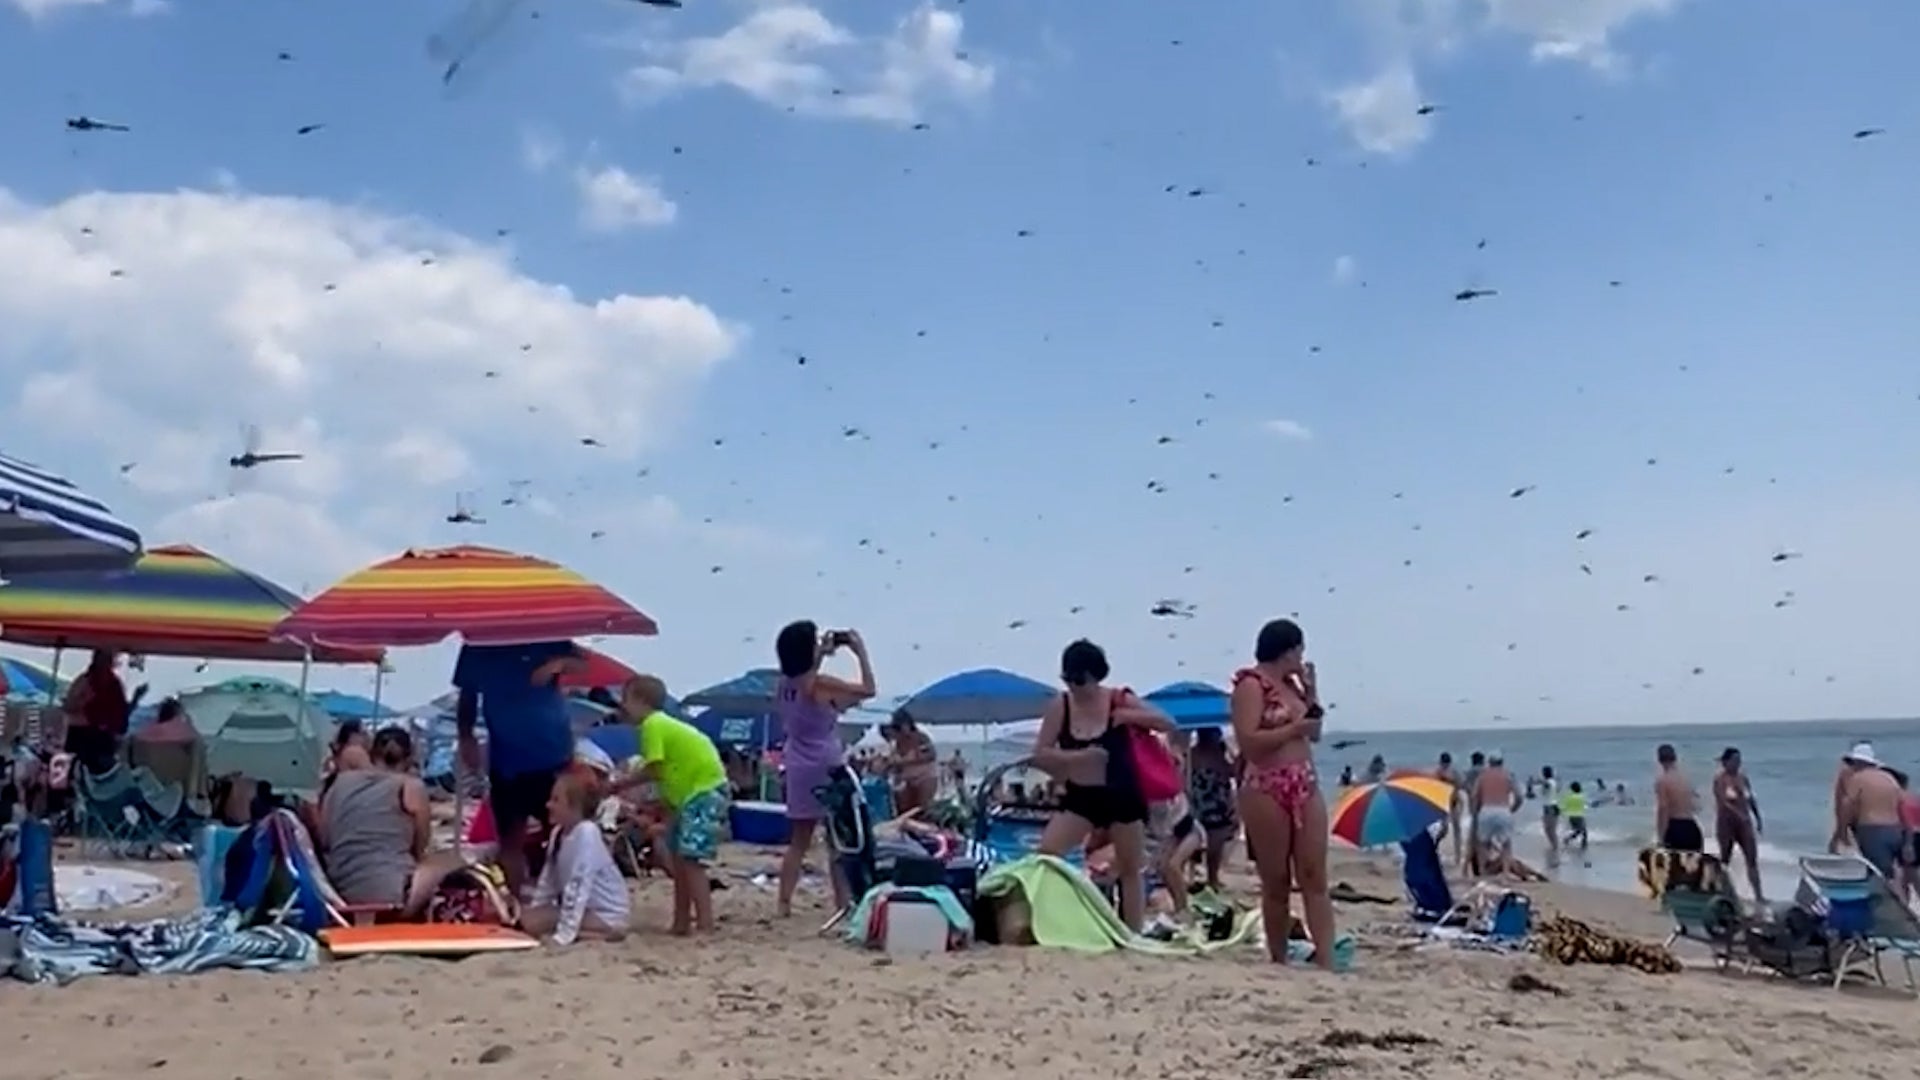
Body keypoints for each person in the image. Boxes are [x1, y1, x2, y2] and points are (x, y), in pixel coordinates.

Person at [1031, 638, 1173, 933]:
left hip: (1122, 793)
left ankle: (1132, 931)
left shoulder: (1116, 700)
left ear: (1096, 676)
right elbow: (1040, 755)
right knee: (1048, 853)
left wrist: (1128, 716)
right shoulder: (1062, 705)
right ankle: (1059, 915)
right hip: (1081, 796)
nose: (1075, 687)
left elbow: (1166, 722)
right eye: (1068, 680)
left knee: (1130, 867)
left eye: (1080, 680)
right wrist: (1076, 758)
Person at [1230, 618, 1335, 968]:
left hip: (1303, 780)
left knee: (1314, 874)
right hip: (1265, 784)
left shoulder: (1294, 687)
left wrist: (1312, 692)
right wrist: (1294, 729)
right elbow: (1250, 742)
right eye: (1299, 650)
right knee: (1276, 878)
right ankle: (1278, 957)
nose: (1302, 658)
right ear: (1287, 649)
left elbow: (1314, 732)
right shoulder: (1251, 684)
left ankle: (1327, 957)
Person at [453, 641, 585, 896]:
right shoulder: (477, 642)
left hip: (554, 755)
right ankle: (514, 904)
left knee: (564, 834)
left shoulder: (545, 631)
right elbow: (467, 693)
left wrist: (556, 665)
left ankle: (567, 898)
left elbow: (581, 663)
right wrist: (465, 735)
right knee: (510, 839)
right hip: (507, 760)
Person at [772, 620, 876, 917]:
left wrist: (819, 655)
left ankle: (784, 903)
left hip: (796, 762)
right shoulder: (821, 684)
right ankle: (842, 901)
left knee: (799, 840)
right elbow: (868, 689)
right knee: (838, 838)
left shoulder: (783, 685)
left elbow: (803, 680)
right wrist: (859, 651)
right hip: (826, 763)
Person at [618, 675, 728, 935]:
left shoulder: (652, 725)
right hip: (697, 790)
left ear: (638, 700)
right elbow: (669, 776)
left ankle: (704, 924)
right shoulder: (664, 725)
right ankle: (681, 923)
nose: (622, 707)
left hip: (704, 790)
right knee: (679, 860)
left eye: (625, 700)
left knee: (690, 861)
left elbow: (654, 770)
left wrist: (619, 785)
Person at [319, 727, 462, 915]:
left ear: (370, 754)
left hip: (338, 893)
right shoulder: (409, 786)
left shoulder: (339, 783)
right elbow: (420, 850)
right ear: (410, 758)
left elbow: (326, 839)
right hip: (391, 894)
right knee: (450, 860)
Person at [521, 771, 629, 945]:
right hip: (588, 909)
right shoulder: (558, 834)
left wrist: (563, 935)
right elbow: (548, 881)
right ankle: (588, 932)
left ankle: (603, 932)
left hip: (606, 914)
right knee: (530, 920)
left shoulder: (586, 833)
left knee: (533, 922)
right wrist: (538, 908)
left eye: (556, 800)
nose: (548, 805)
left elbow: (578, 885)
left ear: (574, 806)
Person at [61, 650, 144, 774]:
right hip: (81, 736)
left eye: (108, 660)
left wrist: (136, 699)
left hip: (103, 740)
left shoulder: (114, 685)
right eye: (103, 660)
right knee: (78, 775)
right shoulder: (84, 681)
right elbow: (68, 707)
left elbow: (120, 714)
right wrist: (84, 700)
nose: (106, 664)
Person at [1835, 742, 1905, 877]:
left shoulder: (1858, 778)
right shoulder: (1888, 778)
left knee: (1878, 872)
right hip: (1896, 829)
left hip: (1872, 830)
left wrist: (1841, 832)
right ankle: (1907, 896)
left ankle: (1891, 897)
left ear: (1859, 762)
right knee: (1896, 870)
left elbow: (1847, 805)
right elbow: (1902, 803)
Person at [1712, 747, 1765, 904]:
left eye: (1739, 760)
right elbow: (1723, 802)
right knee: (1725, 859)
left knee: (1751, 858)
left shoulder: (1743, 778)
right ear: (1726, 762)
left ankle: (1758, 895)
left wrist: (1757, 817)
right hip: (1726, 824)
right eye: (1734, 760)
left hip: (1744, 824)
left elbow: (1750, 798)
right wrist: (1739, 815)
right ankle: (1722, 891)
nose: (1737, 764)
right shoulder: (1720, 779)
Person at [1188, 726, 1237, 890]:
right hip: (1202, 803)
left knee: (1215, 843)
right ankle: (1203, 876)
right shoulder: (1194, 754)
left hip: (1215, 803)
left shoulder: (1218, 755)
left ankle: (1211, 877)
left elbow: (1235, 772)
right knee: (1201, 843)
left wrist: (1229, 751)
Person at [1470, 751, 1521, 874]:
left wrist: (1474, 812)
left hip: (1486, 809)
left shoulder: (1483, 776)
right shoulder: (1509, 776)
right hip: (1503, 810)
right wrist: (1512, 809)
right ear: (1502, 763)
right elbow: (1519, 796)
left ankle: (1482, 872)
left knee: (1482, 843)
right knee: (1506, 844)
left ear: (1489, 763)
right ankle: (1505, 873)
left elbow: (1474, 795)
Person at [885, 714, 939, 814]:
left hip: (925, 776)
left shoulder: (921, 737)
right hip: (907, 779)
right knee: (906, 810)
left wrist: (910, 759)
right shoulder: (898, 743)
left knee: (923, 809)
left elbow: (931, 754)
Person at [1653, 744, 1703, 852]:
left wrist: (1661, 838)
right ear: (1675, 758)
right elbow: (1696, 805)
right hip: (1693, 828)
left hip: (1675, 829)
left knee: (1675, 868)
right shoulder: (1686, 778)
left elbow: (1663, 808)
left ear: (1659, 759)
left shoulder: (1662, 781)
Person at [1560, 781, 1591, 866]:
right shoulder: (1581, 796)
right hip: (1579, 816)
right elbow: (1585, 805)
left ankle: (1568, 839)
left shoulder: (1569, 797)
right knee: (1583, 832)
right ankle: (1583, 845)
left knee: (1579, 831)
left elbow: (1564, 806)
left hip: (1571, 816)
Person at [1538, 765, 1561, 866]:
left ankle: (1555, 847)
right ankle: (1554, 846)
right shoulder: (1553, 782)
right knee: (1549, 829)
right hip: (1551, 806)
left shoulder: (1549, 782)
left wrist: (1538, 782)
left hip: (1550, 807)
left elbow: (1546, 785)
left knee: (1550, 829)